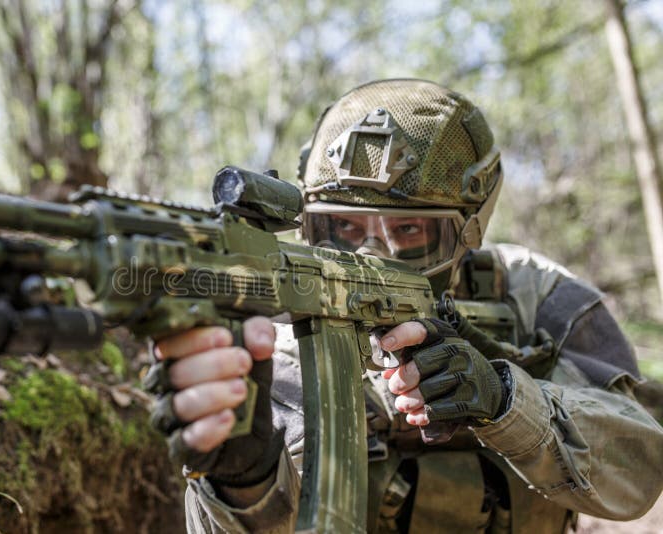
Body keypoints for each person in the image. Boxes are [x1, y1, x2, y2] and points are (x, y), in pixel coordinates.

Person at [147, 79, 663, 533]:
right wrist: (244, 480)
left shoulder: (538, 297)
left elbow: (641, 469)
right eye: (342, 229)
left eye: (411, 231)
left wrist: (505, 398)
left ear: (470, 231)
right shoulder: (273, 321)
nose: (370, 255)